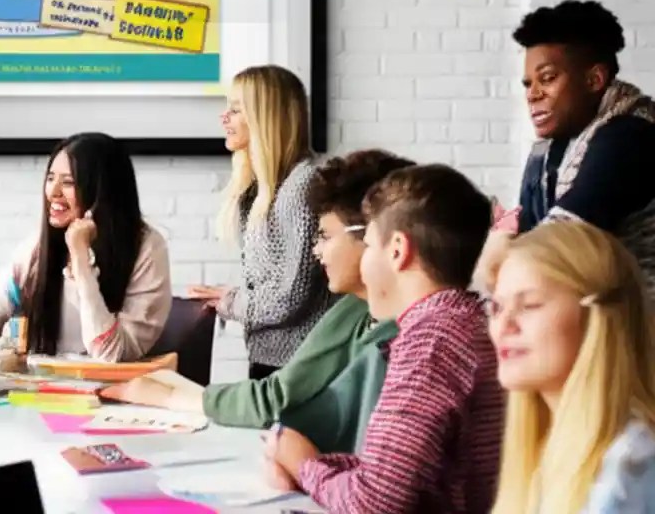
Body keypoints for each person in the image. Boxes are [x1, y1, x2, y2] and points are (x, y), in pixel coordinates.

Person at [104, 150, 412, 452]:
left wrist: (171, 396)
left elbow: (281, 406)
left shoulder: (404, 338)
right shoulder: (352, 310)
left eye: (325, 237)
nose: (316, 251)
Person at [264, 164, 504, 513]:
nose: (364, 262)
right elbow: (394, 475)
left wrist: (303, 465)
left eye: (370, 245)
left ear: (396, 250)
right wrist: (315, 467)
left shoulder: (433, 343)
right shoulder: (461, 325)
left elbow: (375, 502)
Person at [0, 133, 171, 363]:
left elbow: (111, 353)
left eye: (68, 182)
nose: (53, 192)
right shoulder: (36, 248)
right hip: (42, 387)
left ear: (102, 192)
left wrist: (81, 260)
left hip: (110, 392)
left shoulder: (147, 248)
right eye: (51, 178)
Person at [488, 221, 655, 513]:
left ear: (597, 317)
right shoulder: (547, 454)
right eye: (496, 308)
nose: (503, 326)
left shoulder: (634, 466)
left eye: (530, 305)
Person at [188, 65, 333, 379]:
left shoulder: (301, 186)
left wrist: (231, 301)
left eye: (236, 109)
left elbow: (290, 295)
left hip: (297, 368)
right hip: (273, 359)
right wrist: (228, 298)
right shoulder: (264, 187)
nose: (224, 117)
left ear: (265, 118)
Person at [512, 0, 655, 296]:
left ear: (594, 80)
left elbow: (560, 239)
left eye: (548, 78)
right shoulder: (549, 150)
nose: (533, 94)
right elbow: (525, 236)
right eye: (528, 84)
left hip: (639, 327)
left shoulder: (630, 134)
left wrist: (499, 247)